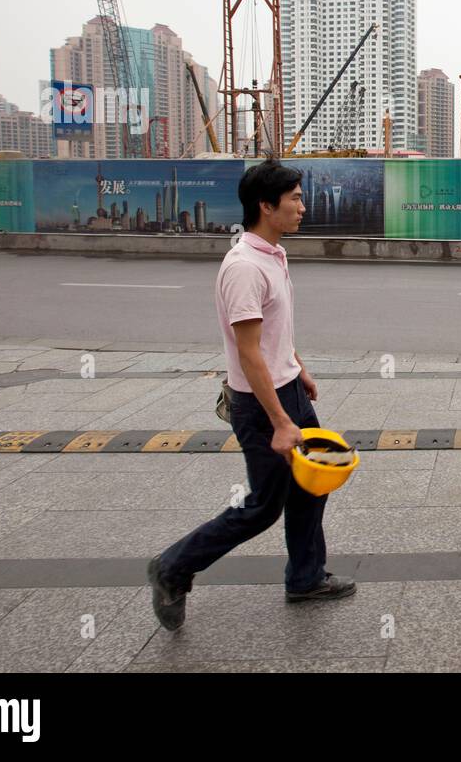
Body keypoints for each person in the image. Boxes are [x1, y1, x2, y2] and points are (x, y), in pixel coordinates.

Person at [148, 159, 354, 631]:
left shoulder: (273, 254)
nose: (303, 206)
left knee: (311, 483)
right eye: (295, 199)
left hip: (287, 390)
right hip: (263, 406)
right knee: (264, 506)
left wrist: (296, 365)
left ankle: (305, 578)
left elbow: (269, 335)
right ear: (266, 206)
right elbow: (247, 354)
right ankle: (172, 568)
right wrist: (281, 421)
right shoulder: (243, 267)